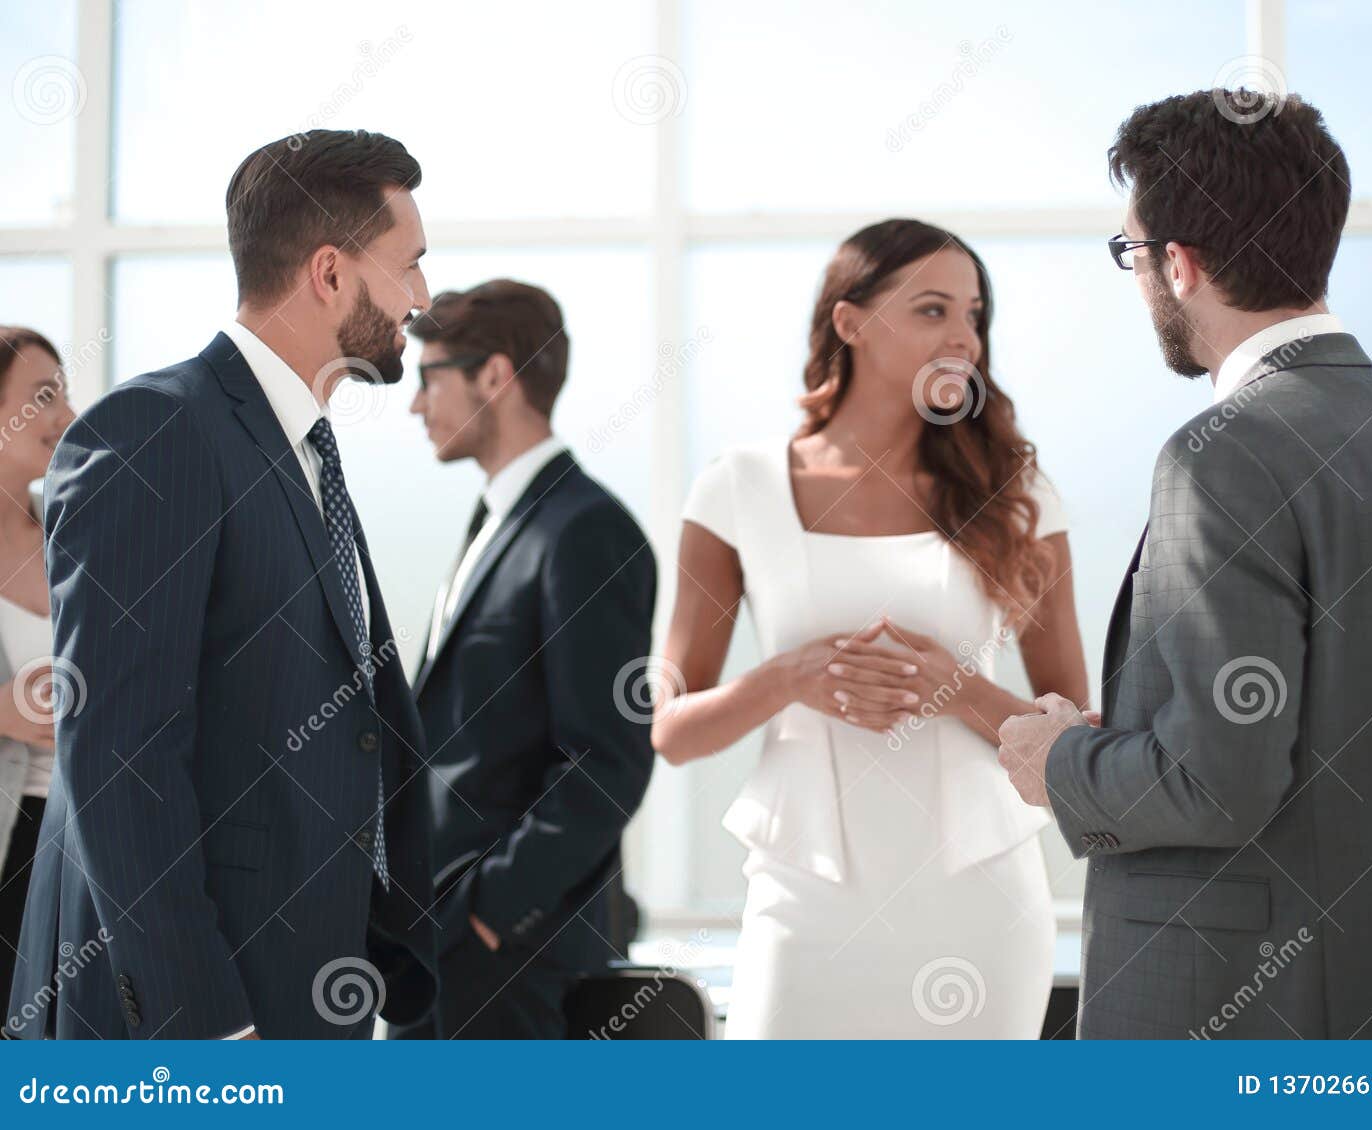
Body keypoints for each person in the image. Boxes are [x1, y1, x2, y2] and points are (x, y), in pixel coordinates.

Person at [997, 89, 1372, 1039]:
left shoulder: (1220, 454)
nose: (1136, 276)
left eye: (1131, 253)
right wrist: (1152, 732)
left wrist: (1059, 760)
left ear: (1178, 265)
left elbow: (1219, 782)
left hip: (1238, 1014)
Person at [6, 129, 439, 1039]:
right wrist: (203, 1024)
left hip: (308, 981)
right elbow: (120, 757)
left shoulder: (303, 447)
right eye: (410, 267)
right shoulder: (156, 433)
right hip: (196, 1009)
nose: (423, 300)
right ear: (330, 272)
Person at [655, 218, 1089, 1038]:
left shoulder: (1019, 494)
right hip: (803, 896)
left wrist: (955, 688)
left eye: (975, 314)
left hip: (982, 900)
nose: (964, 336)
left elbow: (1069, 731)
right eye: (933, 310)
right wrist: (788, 678)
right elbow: (672, 733)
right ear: (849, 322)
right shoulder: (736, 489)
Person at [393, 280, 656, 1039]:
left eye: (428, 378)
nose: (415, 406)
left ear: (495, 375)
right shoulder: (499, 521)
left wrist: (488, 912)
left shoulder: (585, 530)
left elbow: (606, 761)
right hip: (445, 949)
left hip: (513, 960)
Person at [0, 327, 75, 1008]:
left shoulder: (80, 533)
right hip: (10, 843)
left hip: (88, 842)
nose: (67, 414)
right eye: (43, 395)